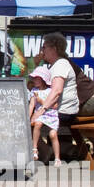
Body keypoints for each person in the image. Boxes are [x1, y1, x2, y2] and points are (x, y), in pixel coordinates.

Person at [33, 32, 81, 160]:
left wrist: (41, 110)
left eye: (44, 47)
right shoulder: (53, 65)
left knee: (27, 122)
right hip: (58, 108)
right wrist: (36, 65)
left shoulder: (60, 65)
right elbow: (35, 85)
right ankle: (48, 150)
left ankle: (45, 151)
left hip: (63, 111)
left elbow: (56, 91)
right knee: (30, 118)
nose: (42, 50)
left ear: (54, 49)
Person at [28, 64, 60, 164]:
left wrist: (41, 101)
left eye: (37, 78)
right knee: (37, 124)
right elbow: (31, 105)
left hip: (51, 114)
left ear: (43, 79)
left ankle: (57, 158)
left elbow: (54, 106)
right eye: (34, 79)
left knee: (53, 134)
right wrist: (28, 118)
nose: (34, 81)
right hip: (40, 115)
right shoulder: (34, 91)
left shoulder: (50, 91)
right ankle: (34, 149)